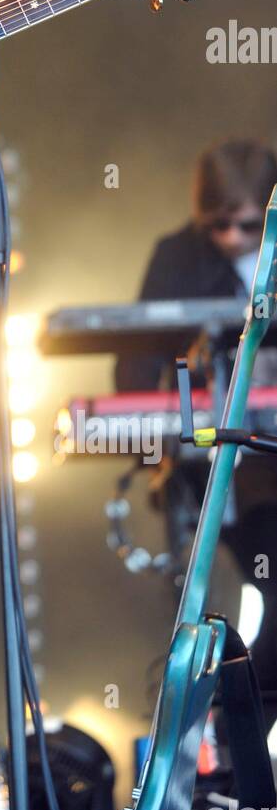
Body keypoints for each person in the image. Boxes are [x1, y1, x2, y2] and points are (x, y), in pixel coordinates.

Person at [116, 139, 277, 732]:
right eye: (217, 225)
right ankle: (233, 741)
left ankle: (236, 738)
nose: (232, 238)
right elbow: (136, 358)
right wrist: (144, 427)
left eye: (246, 224)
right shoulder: (176, 255)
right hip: (224, 460)